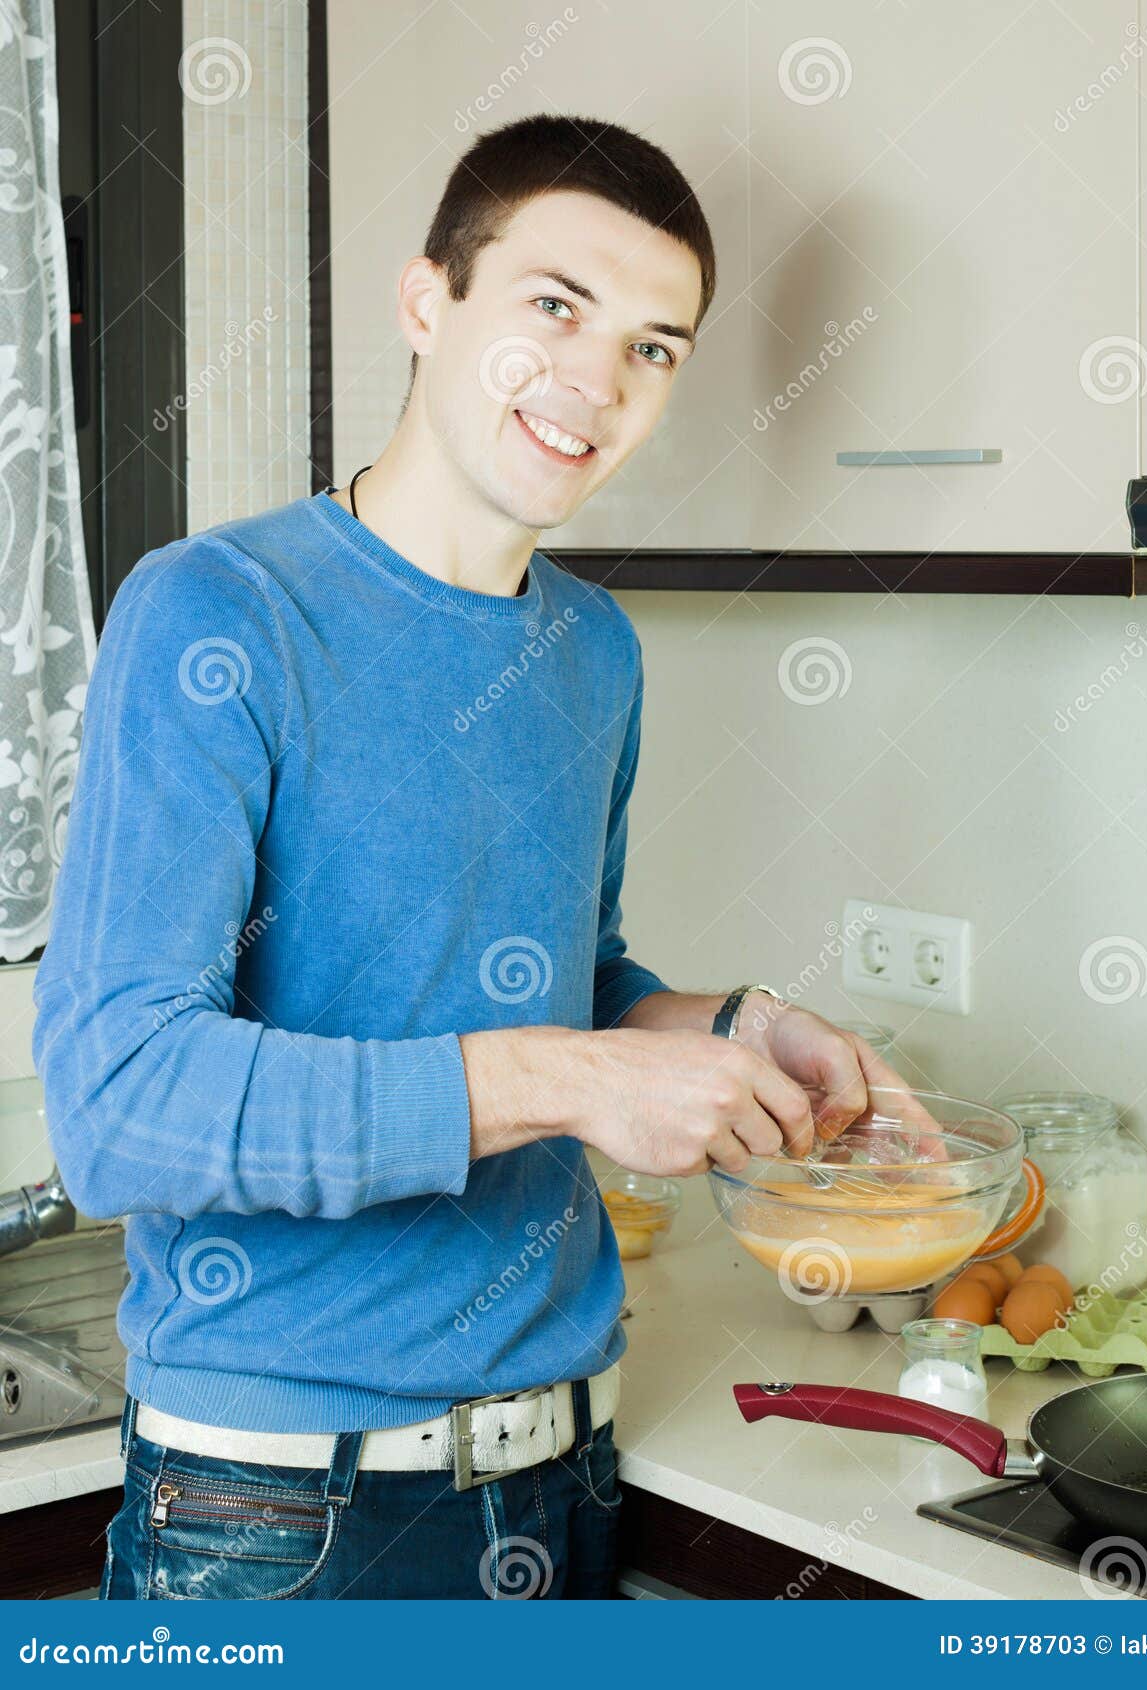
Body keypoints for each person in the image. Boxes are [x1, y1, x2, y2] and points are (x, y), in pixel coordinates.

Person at [32, 112, 906, 1601]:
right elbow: (118, 1102)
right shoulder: (218, 619)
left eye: (655, 347)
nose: (598, 381)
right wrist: (574, 1082)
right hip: (279, 1517)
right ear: (428, 300)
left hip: (566, 1470)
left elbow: (582, 977)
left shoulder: (594, 653)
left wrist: (735, 1027)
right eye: (555, 308)